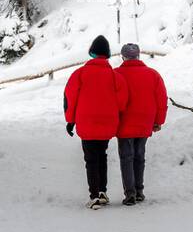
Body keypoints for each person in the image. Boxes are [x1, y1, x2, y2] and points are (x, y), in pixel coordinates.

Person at [63, 36, 128, 209]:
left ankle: (94, 195)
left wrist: (70, 120)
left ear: (91, 52)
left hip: (86, 122)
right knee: (102, 155)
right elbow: (122, 101)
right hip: (107, 122)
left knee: (91, 158)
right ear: (107, 54)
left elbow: (70, 98)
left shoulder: (80, 74)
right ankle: (102, 192)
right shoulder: (115, 76)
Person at [116, 43, 168, 205]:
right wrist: (159, 121)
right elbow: (161, 99)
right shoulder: (153, 75)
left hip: (124, 121)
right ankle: (139, 191)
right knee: (139, 156)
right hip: (145, 120)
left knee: (126, 157)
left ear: (122, 57)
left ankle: (130, 193)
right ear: (138, 55)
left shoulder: (116, 74)